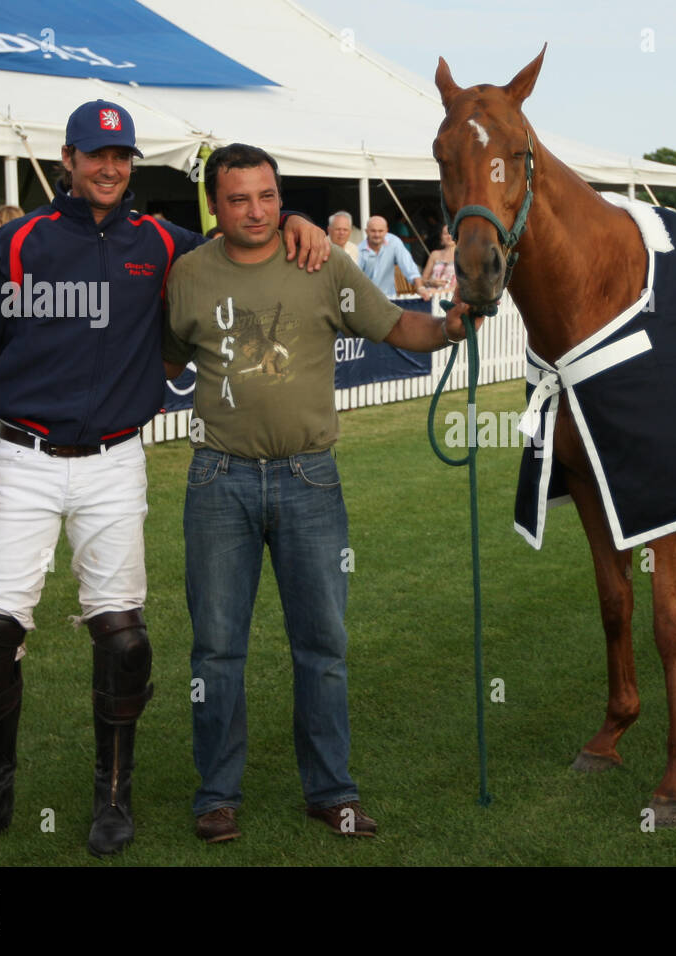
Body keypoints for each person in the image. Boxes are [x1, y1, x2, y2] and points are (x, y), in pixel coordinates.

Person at [0, 100, 329, 862]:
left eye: (122, 156)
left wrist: (301, 221)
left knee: (123, 640)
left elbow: (243, 235)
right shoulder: (16, 244)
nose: (110, 168)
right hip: (22, 458)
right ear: (69, 159)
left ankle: (112, 795)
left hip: (116, 461)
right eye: (95, 155)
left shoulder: (164, 243)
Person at [161, 143, 479, 844]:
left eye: (268, 196)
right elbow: (164, 355)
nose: (255, 211)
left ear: (282, 197)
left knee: (323, 644)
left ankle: (331, 790)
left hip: (310, 478)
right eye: (238, 198)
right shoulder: (187, 275)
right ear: (216, 204)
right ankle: (217, 795)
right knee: (216, 649)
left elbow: (398, 326)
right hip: (219, 480)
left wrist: (450, 324)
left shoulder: (320, 260)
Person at [359, 215, 431, 300]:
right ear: (366, 231)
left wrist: (420, 288)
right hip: (366, 299)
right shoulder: (359, 250)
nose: (377, 234)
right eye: (373, 231)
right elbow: (353, 279)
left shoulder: (394, 242)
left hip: (389, 299)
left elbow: (410, 268)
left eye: (380, 231)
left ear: (386, 231)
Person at [421, 223, 457, 296]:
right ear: (441, 237)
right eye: (445, 234)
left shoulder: (463, 256)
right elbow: (423, 280)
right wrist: (431, 282)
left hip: (453, 296)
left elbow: (465, 286)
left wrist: (440, 292)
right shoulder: (434, 254)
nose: (449, 236)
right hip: (431, 294)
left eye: (452, 233)